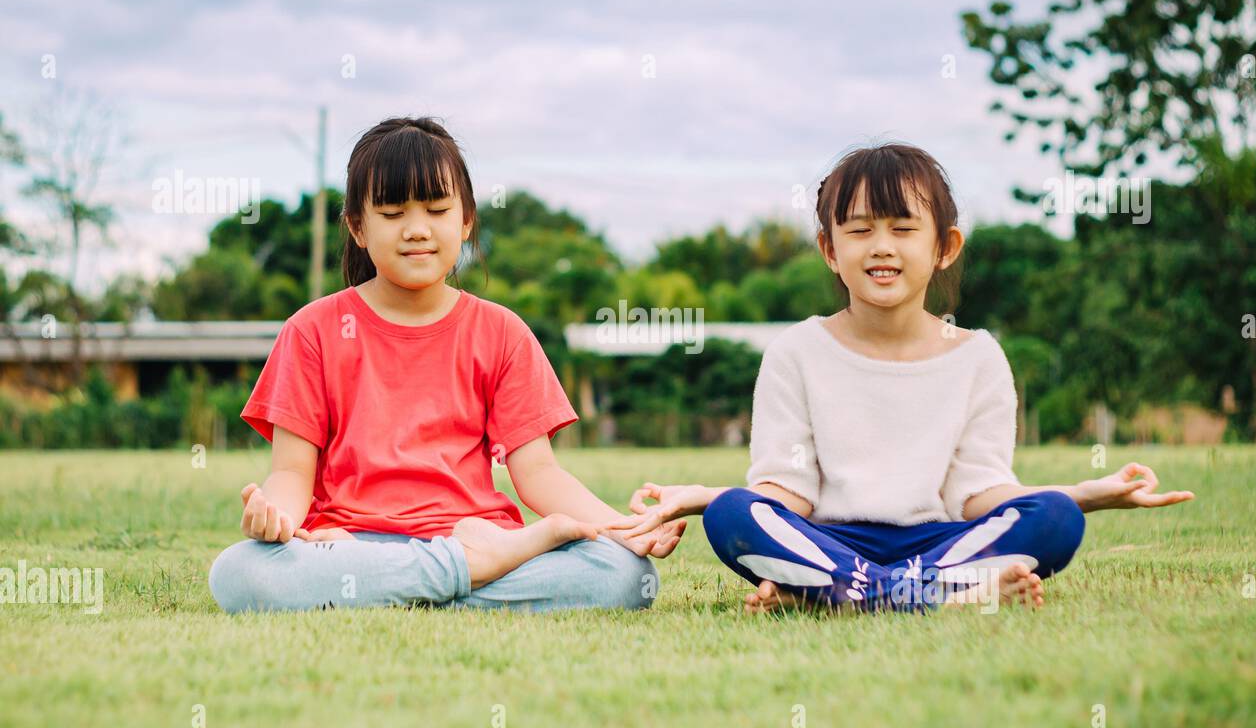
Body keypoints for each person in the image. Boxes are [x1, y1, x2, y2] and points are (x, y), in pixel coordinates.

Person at [603, 143, 1194, 614]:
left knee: (1057, 521)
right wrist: (704, 499)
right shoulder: (796, 352)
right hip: (831, 544)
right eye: (859, 230)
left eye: (903, 228)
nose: (881, 247)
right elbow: (787, 494)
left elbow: (979, 493)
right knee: (732, 515)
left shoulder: (979, 357)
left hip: (938, 546)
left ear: (945, 246)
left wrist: (1087, 495)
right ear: (829, 249)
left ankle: (837, 597)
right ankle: (919, 597)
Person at [208, 117, 684, 614]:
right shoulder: (312, 331)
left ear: (466, 220)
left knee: (626, 575)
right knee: (242, 574)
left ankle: (412, 585)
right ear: (357, 227)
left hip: (466, 534)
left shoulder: (502, 332)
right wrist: (276, 518)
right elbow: (290, 472)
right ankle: (467, 571)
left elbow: (539, 471)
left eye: (437, 209)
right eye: (392, 213)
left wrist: (622, 528)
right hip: (351, 544)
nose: (417, 230)